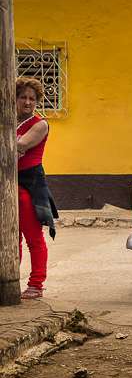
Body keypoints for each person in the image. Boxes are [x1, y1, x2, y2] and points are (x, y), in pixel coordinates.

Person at [15, 76, 58, 299]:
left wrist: (13, 144)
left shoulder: (40, 124)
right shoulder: (8, 121)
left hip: (28, 185)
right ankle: (10, 281)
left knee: (33, 238)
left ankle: (36, 284)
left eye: (32, 99)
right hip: (6, 183)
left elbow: (19, 145)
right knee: (10, 239)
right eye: (23, 97)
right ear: (14, 98)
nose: (27, 102)